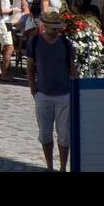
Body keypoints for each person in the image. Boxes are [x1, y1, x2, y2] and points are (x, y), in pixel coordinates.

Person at [27, 9, 75, 171]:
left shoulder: (65, 44)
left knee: (64, 136)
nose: (56, 30)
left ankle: (62, 167)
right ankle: (50, 166)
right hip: (43, 94)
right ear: (45, 26)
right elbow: (30, 67)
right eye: (53, 27)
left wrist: (71, 89)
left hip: (63, 95)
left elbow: (72, 69)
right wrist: (34, 90)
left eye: (58, 28)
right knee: (45, 134)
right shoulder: (35, 42)